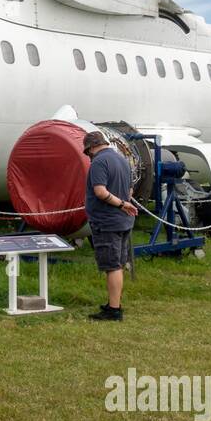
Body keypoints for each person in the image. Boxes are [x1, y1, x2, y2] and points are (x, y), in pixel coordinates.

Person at [82, 131, 138, 321]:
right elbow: (130, 189)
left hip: (107, 222)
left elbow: (99, 191)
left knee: (112, 266)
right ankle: (113, 304)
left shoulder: (99, 162)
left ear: (91, 148)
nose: (88, 156)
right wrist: (124, 203)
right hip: (123, 221)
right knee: (118, 264)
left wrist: (121, 204)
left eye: (87, 152)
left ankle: (114, 310)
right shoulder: (122, 159)